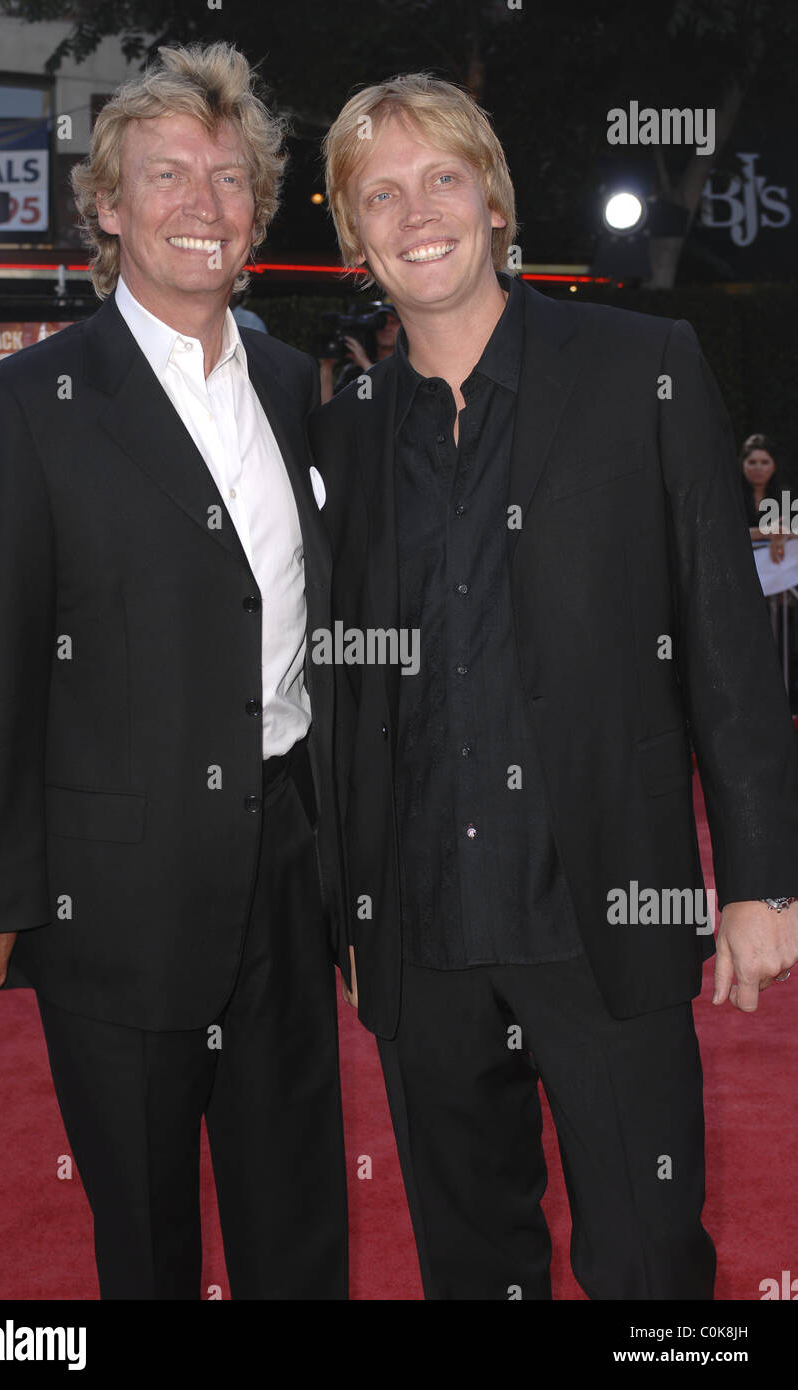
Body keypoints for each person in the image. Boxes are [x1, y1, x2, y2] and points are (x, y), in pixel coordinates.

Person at [310, 73, 798, 1301]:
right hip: (422, 939)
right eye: (381, 193)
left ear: (493, 201)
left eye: (441, 178)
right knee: (473, 1271)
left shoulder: (645, 365)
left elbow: (727, 648)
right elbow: (340, 690)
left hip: (605, 919)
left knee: (648, 1270)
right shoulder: (349, 431)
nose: (415, 211)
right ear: (352, 233)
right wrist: (348, 909)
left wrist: (757, 882)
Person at [0, 42, 348, 1301]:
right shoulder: (19, 408)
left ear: (257, 210)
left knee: (299, 1216)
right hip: (109, 892)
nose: (199, 204)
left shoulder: (293, 384)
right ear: (105, 206)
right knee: (149, 1236)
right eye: (164, 175)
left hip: (285, 863)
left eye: (226, 179)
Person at [741, 432, 789, 563]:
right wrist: (764, 532)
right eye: (752, 462)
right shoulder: (732, 496)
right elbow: (724, 532)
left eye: (764, 462)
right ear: (743, 465)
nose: (758, 468)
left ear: (773, 465)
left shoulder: (785, 494)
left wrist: (784, 536)